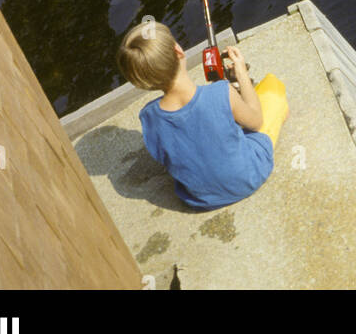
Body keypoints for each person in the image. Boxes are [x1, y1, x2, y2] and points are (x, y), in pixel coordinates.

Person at [117, 20, 289, 210]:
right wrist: (242, 75)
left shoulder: (148, 117)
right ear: (178, 51)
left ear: (142, 81)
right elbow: (256, 123)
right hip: (249, 176)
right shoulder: (222, 92)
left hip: (200, 199)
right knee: (273, 89)